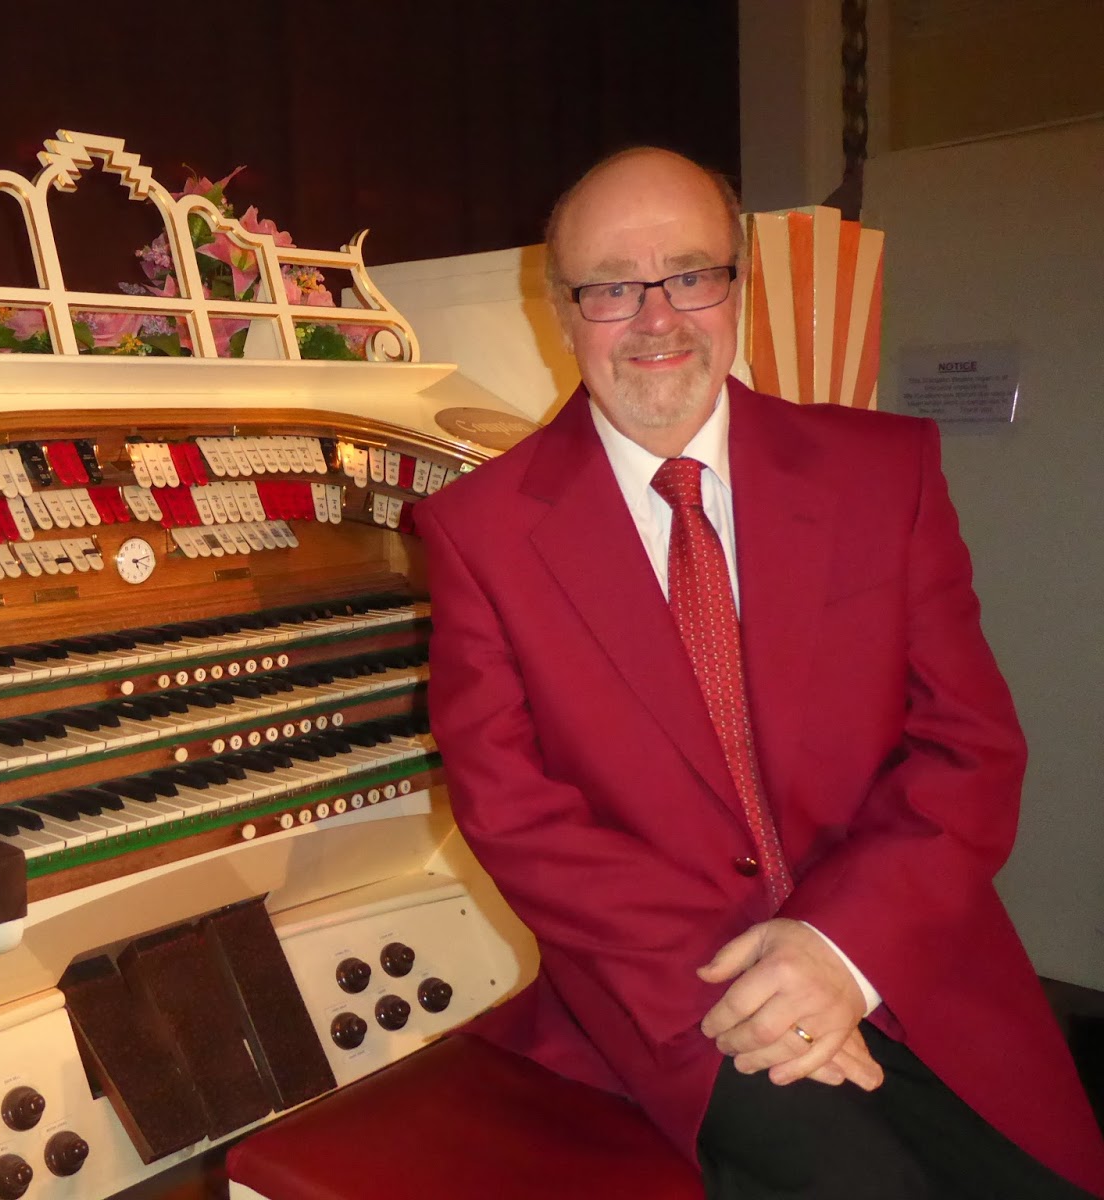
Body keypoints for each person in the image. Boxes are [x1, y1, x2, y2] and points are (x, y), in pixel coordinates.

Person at [415, 146, 1104, 1198]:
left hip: (900, 939)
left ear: (737, 284)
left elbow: (968, 748)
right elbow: (515, 816)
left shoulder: (886, 472)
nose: (656, 319)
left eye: (690, 274)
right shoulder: (479, 532)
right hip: (673, 986)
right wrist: (769, 988)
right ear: (559, 309)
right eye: (611, 287)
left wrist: (838, 951)